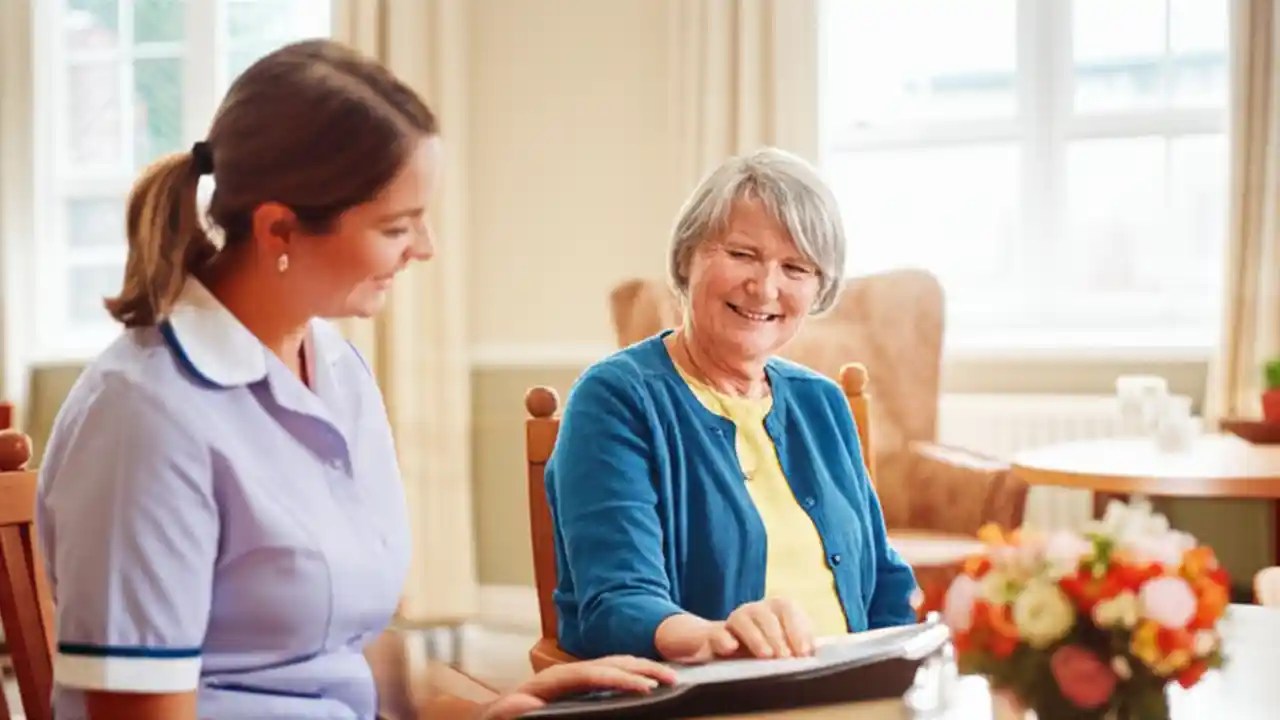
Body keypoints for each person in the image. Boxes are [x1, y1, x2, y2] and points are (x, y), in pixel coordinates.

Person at [35, 39, 673, 720]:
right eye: (397, 226)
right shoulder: (145, 416)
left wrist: (493, 705)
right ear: (280, 228)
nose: (424, 248)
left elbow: (344, 648)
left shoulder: (337, 371)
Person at [544, 147, 918, 665]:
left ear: (818, 289)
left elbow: (884, 582)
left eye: (795, 267)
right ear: (688, 256)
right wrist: (714, 637)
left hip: (846, 689)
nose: (765, 287)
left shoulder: (823, 403)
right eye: (742, 254)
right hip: (708, 697)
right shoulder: (618, 399)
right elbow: (617, 604)